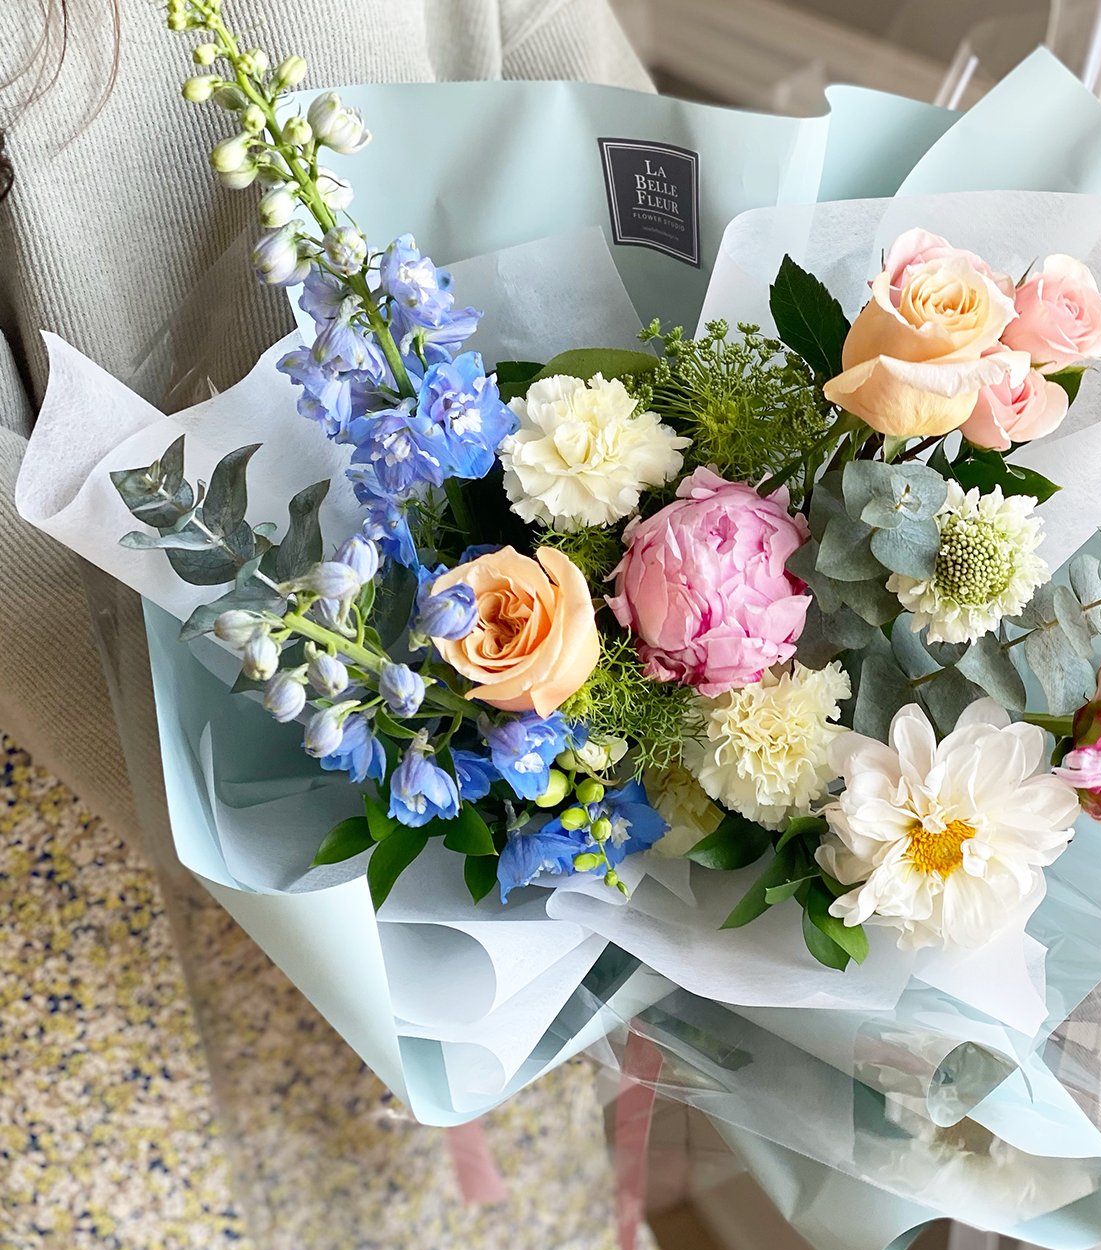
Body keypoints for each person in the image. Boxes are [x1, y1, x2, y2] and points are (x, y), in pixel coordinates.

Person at [0, 0, 651, 843]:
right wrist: (230, 829)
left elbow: (565, 68)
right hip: (151, 766)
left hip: (569, 505)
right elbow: (22, 585)